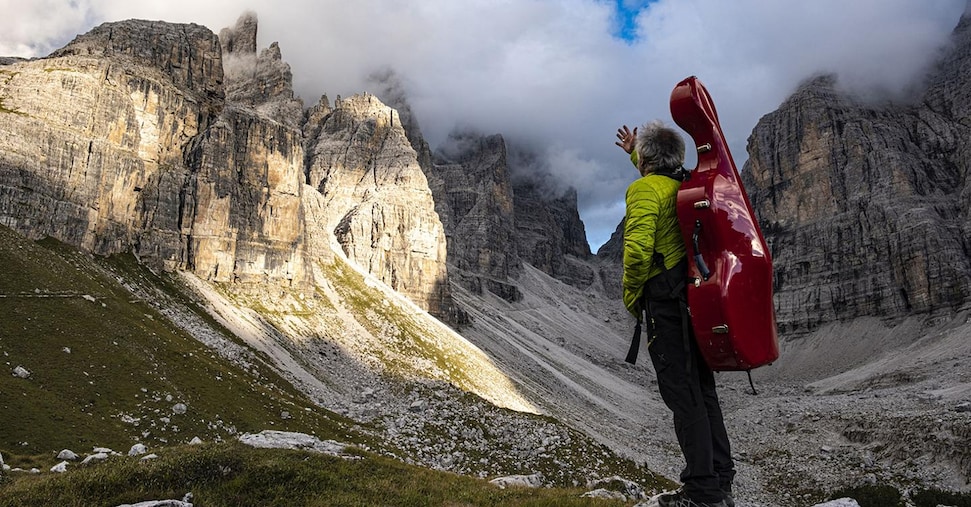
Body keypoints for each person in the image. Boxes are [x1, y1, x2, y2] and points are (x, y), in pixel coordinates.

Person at [616, 121, 735, 507]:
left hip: (665, 307)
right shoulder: (685, 183)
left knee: (683, 397)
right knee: (702, 390)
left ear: (647, 161)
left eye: (642, 159)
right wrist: (638, 152)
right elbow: (661, 173)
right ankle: (721, 483)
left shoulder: (644, 189)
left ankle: (702, 494)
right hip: (694, 301)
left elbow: (637, 252)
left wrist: (632, 297)